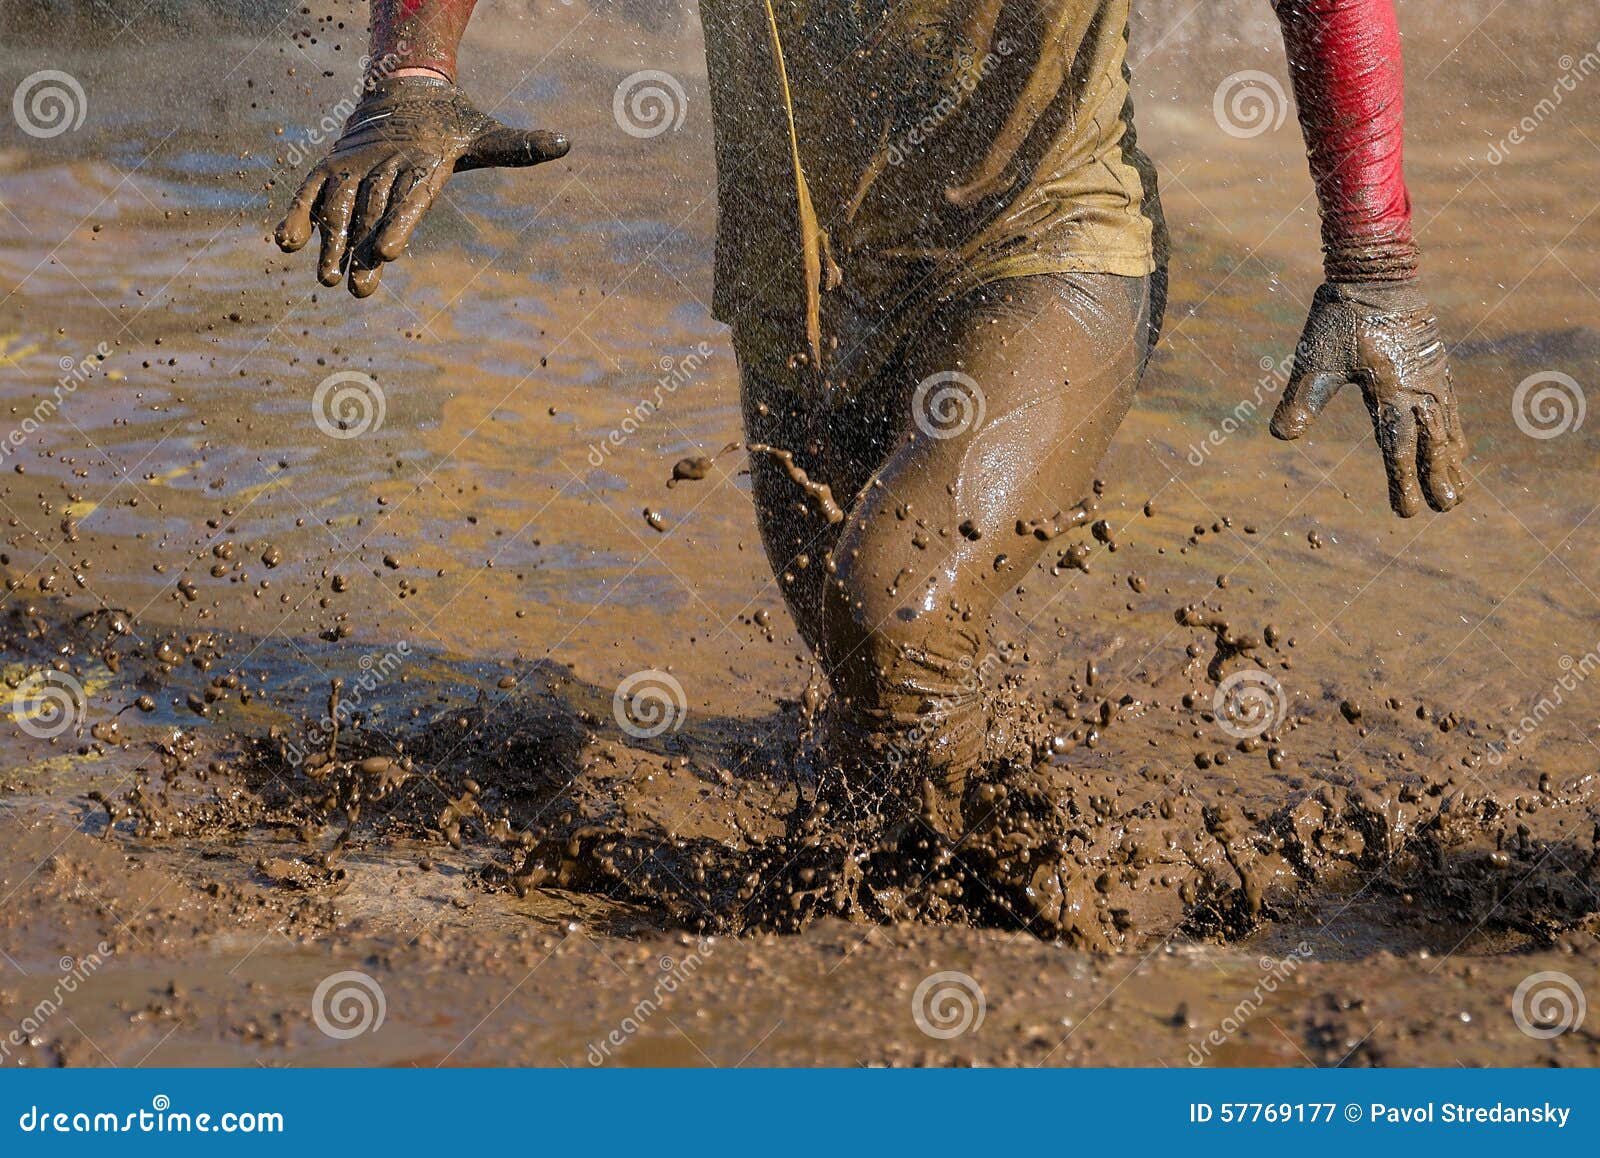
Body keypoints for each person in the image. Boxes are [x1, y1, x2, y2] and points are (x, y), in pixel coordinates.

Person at [275, 0, 1468, 819]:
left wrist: (1371, 260)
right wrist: (414, 76)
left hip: (1048, 247)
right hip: (797, 275)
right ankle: (903, 995)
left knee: (892, 614)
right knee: (871, 697)